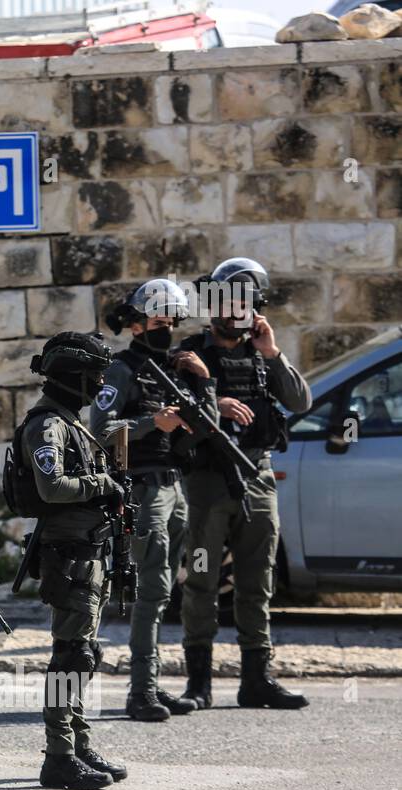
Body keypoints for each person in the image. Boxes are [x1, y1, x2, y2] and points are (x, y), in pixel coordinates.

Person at [178, 258, 312, 709]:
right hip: (206, 484)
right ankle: (199, 682)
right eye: (227, 301)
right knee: (200, 578)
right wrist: (215, 401)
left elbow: (301, 400)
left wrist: (273, 353)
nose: (235, 310)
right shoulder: (190, 355)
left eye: (244, 302)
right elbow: (170, 414)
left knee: (258, 579)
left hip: (257, 477)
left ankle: (257, 678)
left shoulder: (263, 354)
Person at [91, 279, 212, 721]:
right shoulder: (121, 370)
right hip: (143, 489)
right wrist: (149, 424)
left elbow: (208, 428)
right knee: (151, 589)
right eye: (160, 322)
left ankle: (154, 686)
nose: (168, 330)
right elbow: (99, 430)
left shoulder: (175, 368)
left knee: (165, 593)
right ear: (137, 325)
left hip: (174, 485)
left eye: (172, 322)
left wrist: (204, 380)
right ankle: (141, 692)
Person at [14, 332, 128, 790]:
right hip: (68, 557)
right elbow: (51, 487)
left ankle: (77, 743)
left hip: (87, 551)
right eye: (95, 375)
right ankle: (58, 756)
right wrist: (103, 485)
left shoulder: (71, 422)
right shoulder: (47, 425)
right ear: (72, 377)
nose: (100, 383)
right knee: (69, 655)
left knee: (84, 653)